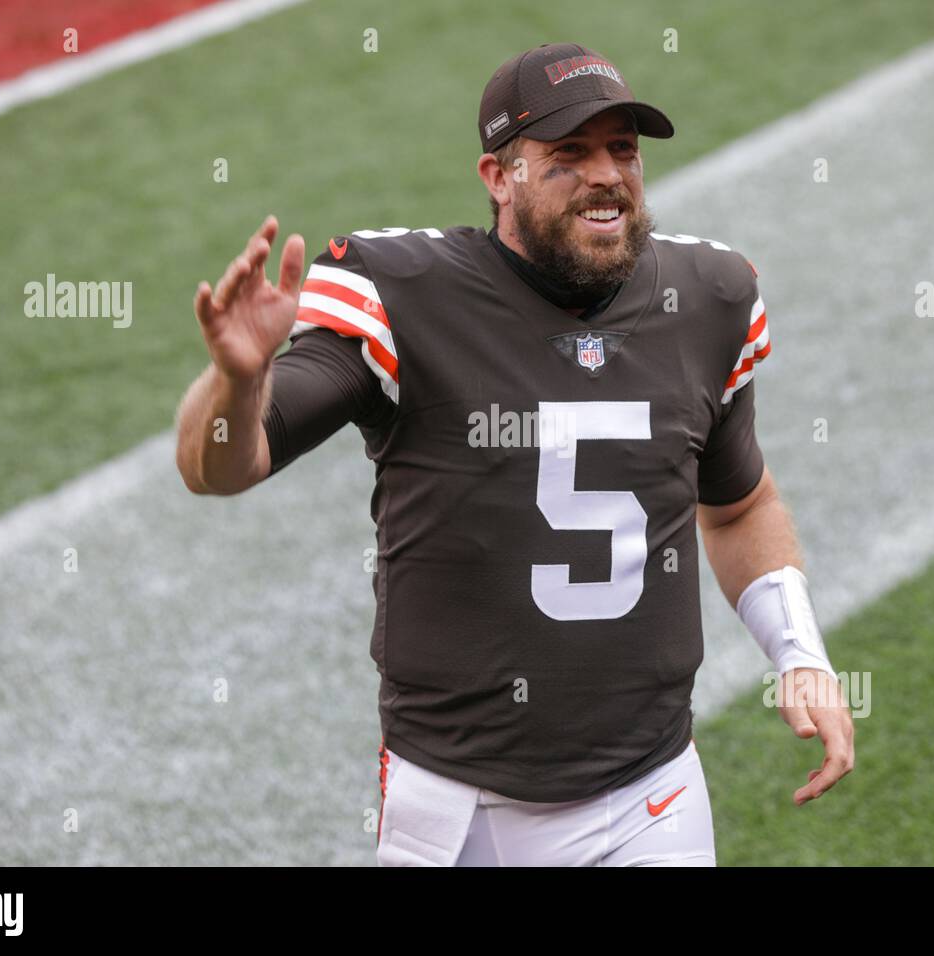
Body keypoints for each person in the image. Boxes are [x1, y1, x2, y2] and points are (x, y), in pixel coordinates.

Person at [175, 42, 853, 867]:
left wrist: (800, 654)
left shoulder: (705, 300)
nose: (606, 174)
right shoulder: (406, 294)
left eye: (623, 150)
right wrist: (236, 383)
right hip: (461, 812)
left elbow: (741, 503)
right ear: (500, 177)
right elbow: (218, 467)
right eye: (568, 154)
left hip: (655, 793)